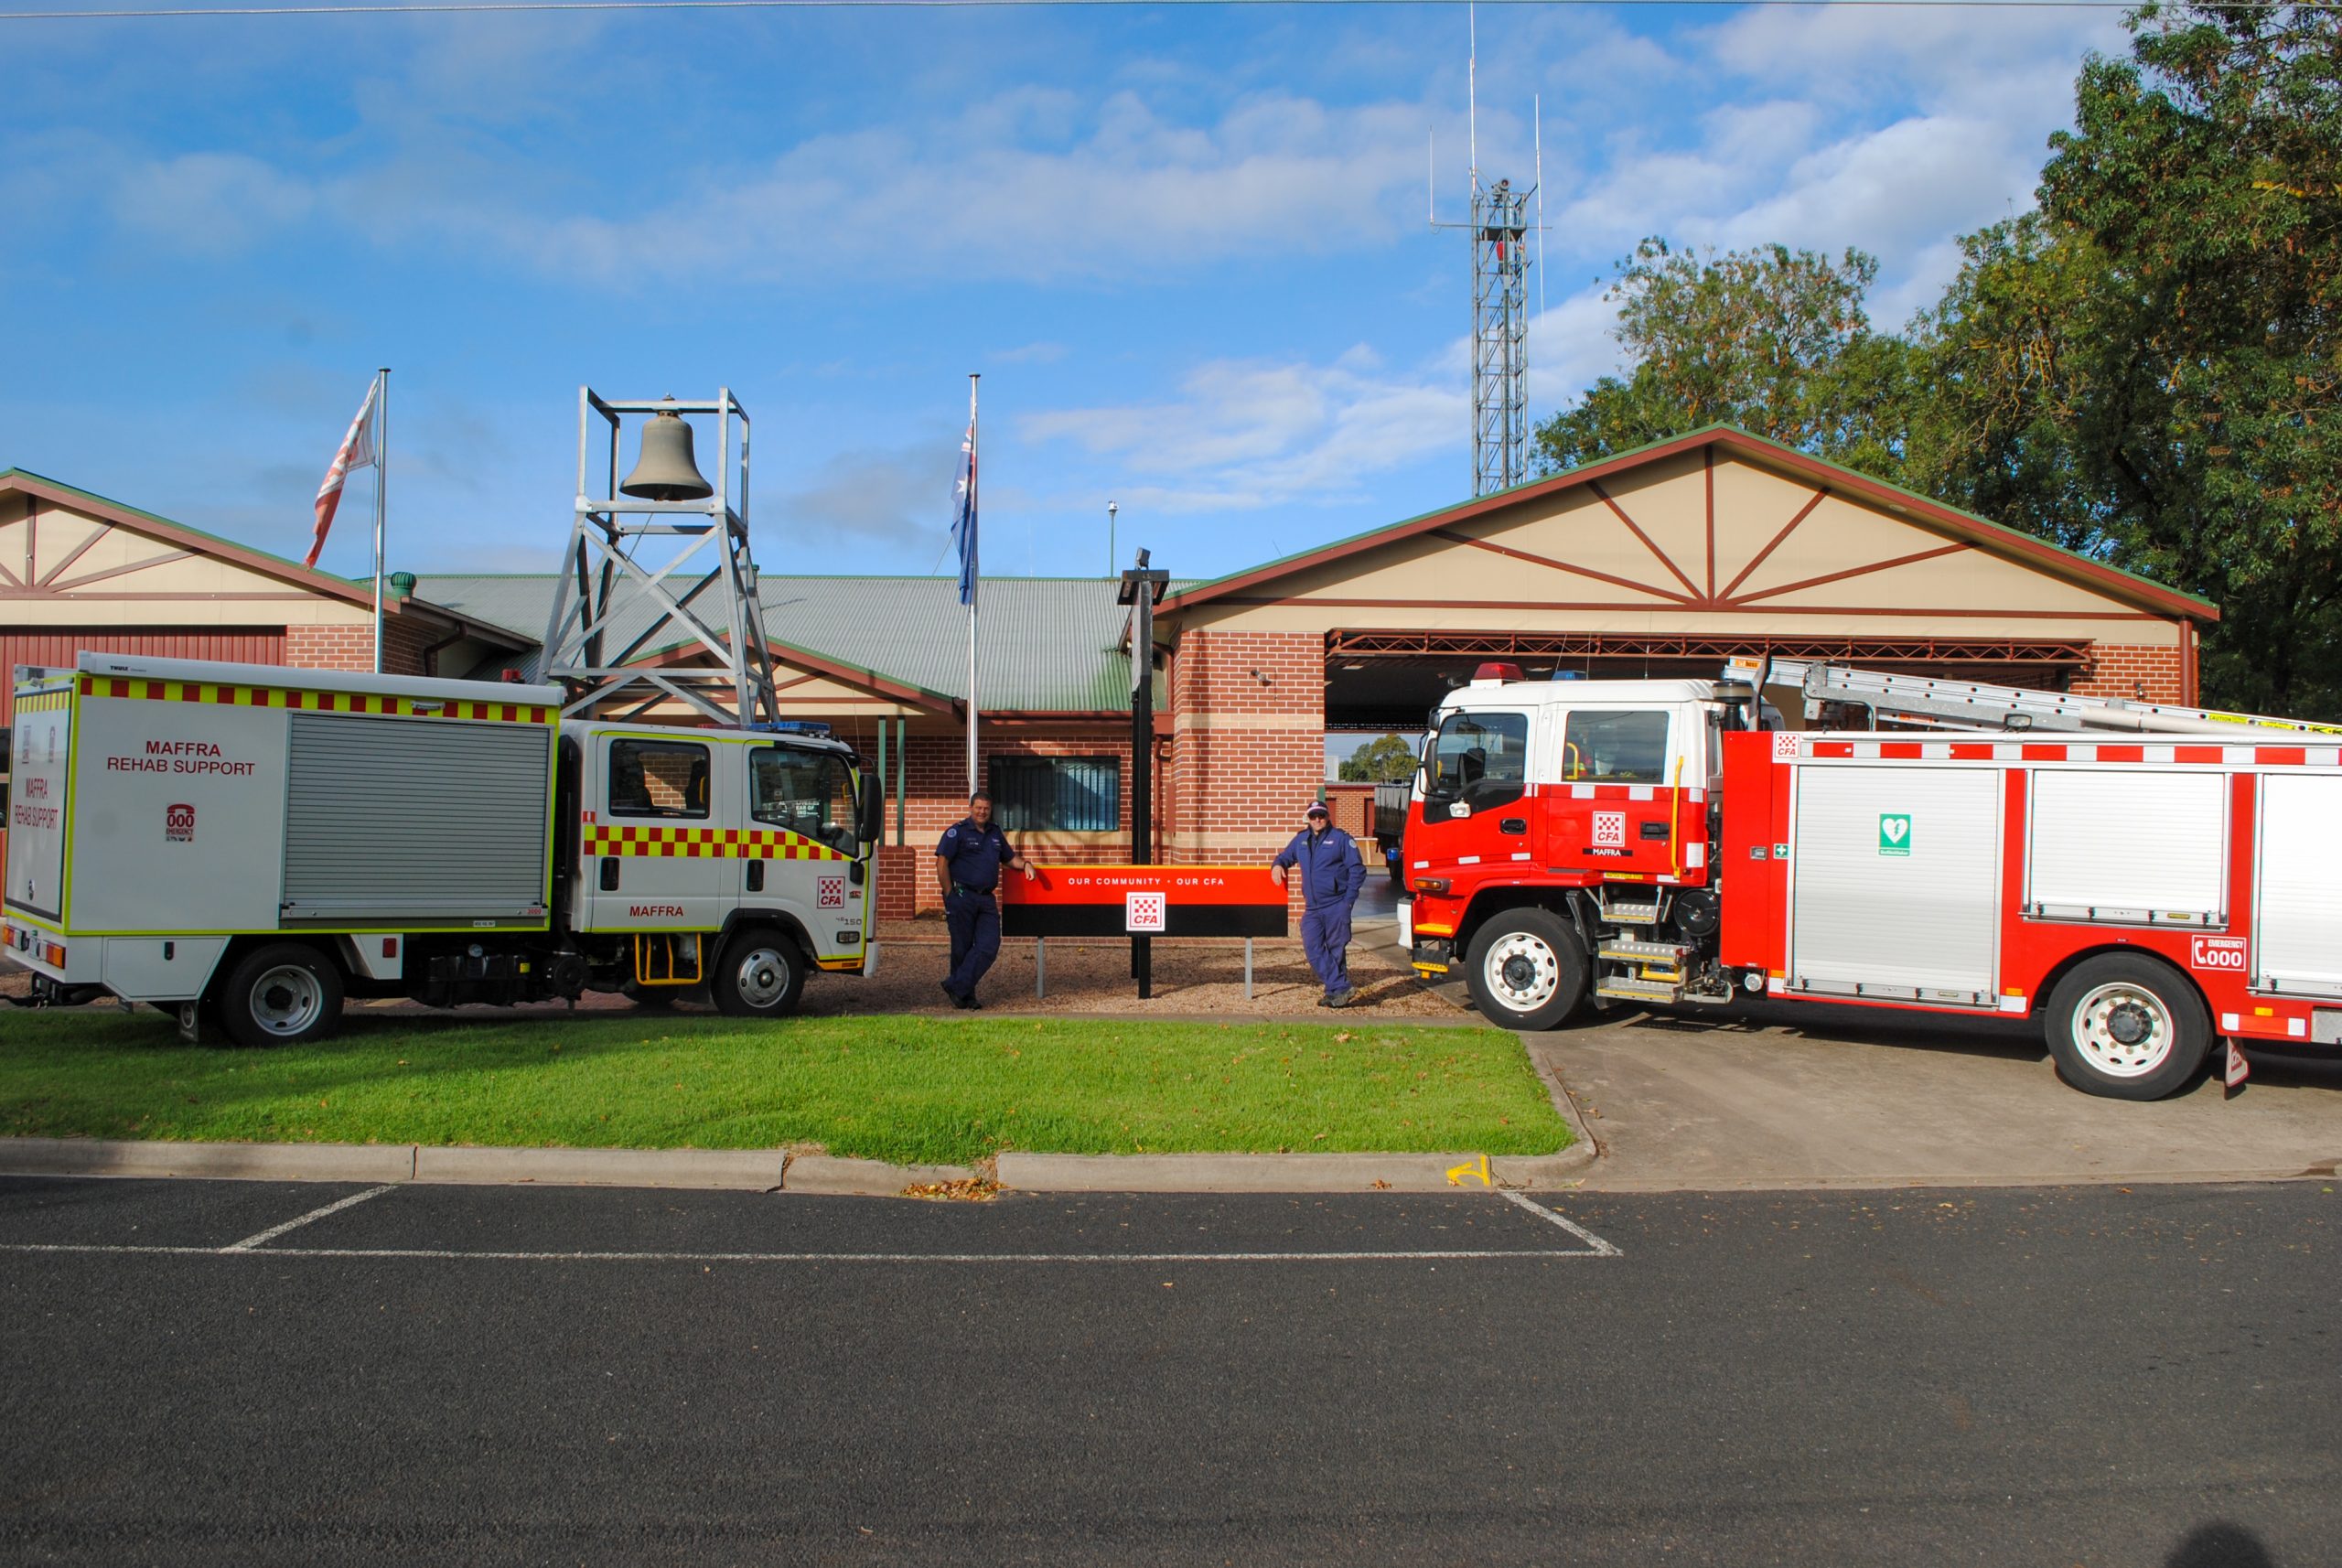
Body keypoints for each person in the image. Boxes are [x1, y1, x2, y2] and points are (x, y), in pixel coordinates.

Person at [933, 789, 1035, 1010]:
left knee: (989, 945)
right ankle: (965, 997)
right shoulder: (957, 832)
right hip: (962, 896)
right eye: (978, 808)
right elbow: (942, 863)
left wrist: (1026, 864)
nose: (982, 812)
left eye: (986, 809)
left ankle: (955, 985)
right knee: (962, 948)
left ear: (990, 810)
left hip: (986, 899)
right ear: (971, 808)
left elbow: (1009, 859)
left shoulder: (995, 833)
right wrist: (950, 894)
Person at [1273, 800, 1365, 1008]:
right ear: (1308, 818)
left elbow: (1357, 870)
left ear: (1327, 816)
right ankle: (1341, 986)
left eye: (1321, 815)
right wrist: (1277, 865)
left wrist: (1347, 902)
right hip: (1313, 907)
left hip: (1336, 904)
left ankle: (1335, 995)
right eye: (1313, 816)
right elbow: (1285, 857)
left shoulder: (1341, 839)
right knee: (1312, 947)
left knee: (1335, 950)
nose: (1317, 819)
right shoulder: (1301, 840)